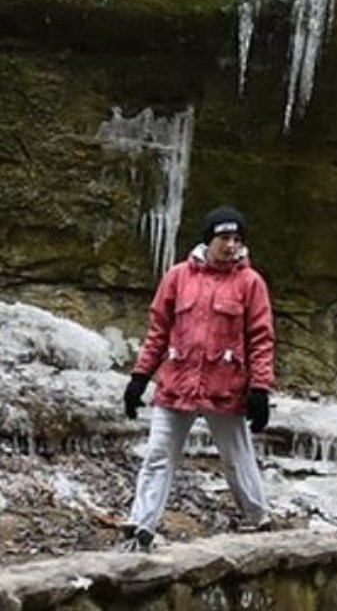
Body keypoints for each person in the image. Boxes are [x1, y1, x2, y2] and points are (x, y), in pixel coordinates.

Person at [120, 206, 276, 551]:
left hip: (226, 387)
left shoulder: (251, 283)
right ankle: (140, 524)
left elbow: (261, 339)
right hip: (177, 384)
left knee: (236, 459)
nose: (231, 245)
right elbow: (158, 331)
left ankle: (260, 519)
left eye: (237, 239)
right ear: (209, 239)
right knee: (158, 455)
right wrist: (140, 376)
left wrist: (260, 388)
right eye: (224, 238)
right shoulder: (177, 276)